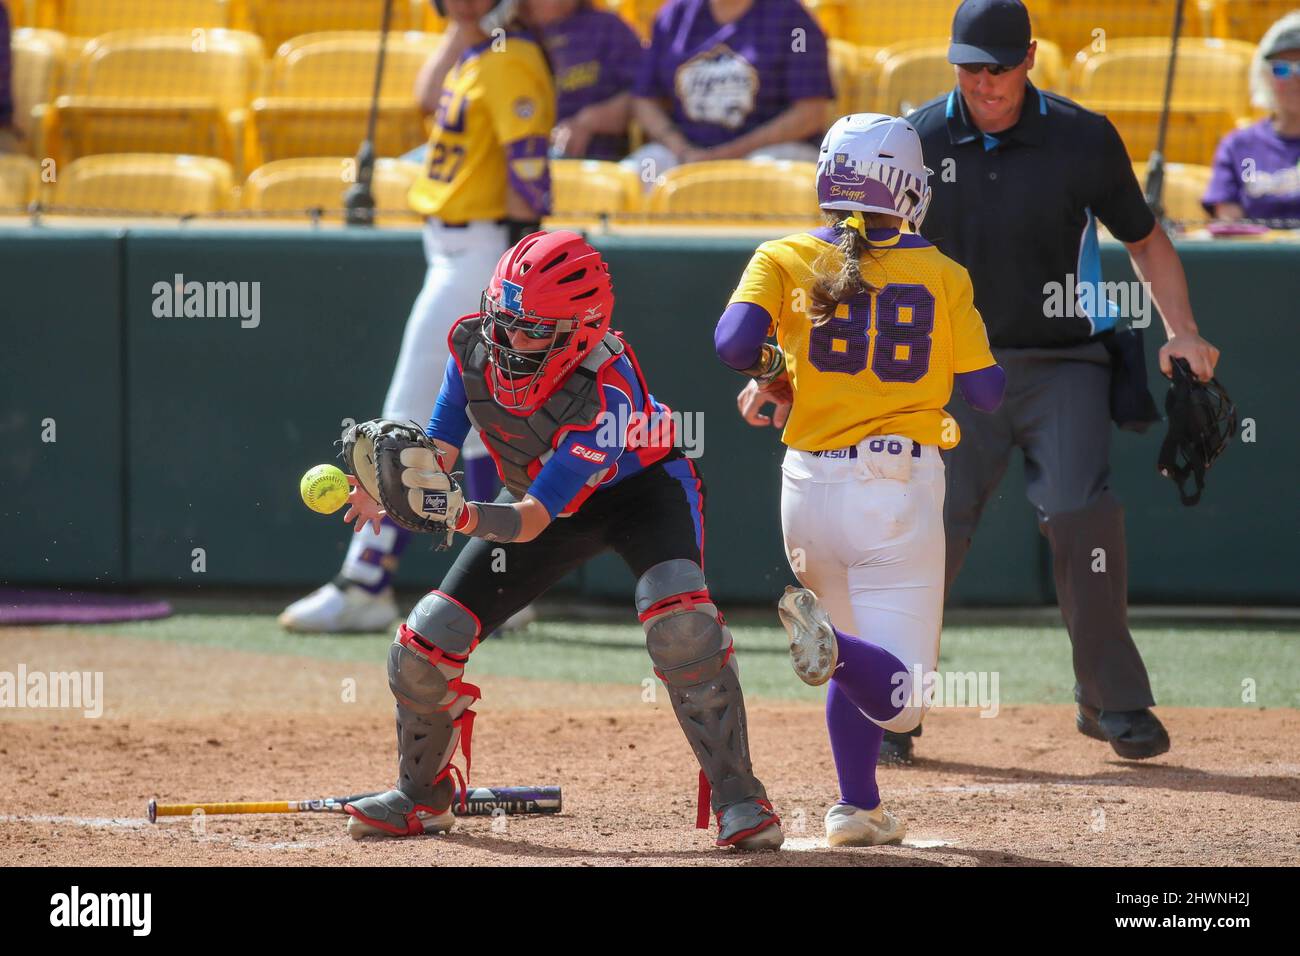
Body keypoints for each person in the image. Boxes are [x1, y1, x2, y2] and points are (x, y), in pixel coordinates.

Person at [338, 230, 784, 851]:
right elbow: (438, 449)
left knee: (681, 625)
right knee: (423, 645)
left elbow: (531, 521)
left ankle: (742, 799)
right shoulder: (471, 347)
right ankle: (421, 797)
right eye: (504, 320)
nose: (508, 340)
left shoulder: (609, 389)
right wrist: (391, 485)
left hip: (640, 494)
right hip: (534, 498)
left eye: (531, 330)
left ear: (580, 330)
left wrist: (461, 515)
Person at [883, 0, 1220, 762]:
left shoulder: (1081, 135)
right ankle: (893, 709)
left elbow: (1145, 239)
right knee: (927, 531)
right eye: (969, 67)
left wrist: (1182, 329)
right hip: (951, 370)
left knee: (1080, 516)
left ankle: (1112, 701)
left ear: (1030, 57)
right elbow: (867, 252)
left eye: (998, 67)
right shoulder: (915, 139)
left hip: (1062, 360)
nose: (984, 82)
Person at [718, 114, 1005, 846]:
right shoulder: (944, 273)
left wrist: (777, 374)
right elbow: (987, 395)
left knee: (852, 651)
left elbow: (733, 344)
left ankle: (858, 808)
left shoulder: (782, 254)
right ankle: (835, 656)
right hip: (893, 491)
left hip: (806, 491)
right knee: (902, 700)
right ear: (909, 188)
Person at [280, 0, 555, 632]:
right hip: (452, 246)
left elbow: (530, 176)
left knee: (403, 416)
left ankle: (365, 581)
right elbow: (424, 97)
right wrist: (464, 24)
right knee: (484, 429)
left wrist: (510, 273)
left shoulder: (512, 57)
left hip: (484, 251)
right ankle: (503, 578)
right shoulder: (478, 49)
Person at [625, 0, 833, 180]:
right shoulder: (673, 16)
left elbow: (811, 112)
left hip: (765, 151)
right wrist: (680, 148)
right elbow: (644, 100)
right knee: (638, 172)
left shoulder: (794, 20)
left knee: (768, 172)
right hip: (686, 152)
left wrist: (726, 154)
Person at [1202, 12, 1300, 225]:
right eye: (1281, 69)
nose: (1295, 79)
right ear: (1266, 77)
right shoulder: (1239, 146)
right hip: (1261, 257)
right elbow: (1228, 218)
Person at [524, 0, 644, 160]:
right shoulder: (509, 38)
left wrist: (588, 121)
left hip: (600, 163)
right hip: (528, 157)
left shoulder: (607, 27)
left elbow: (645, 98)